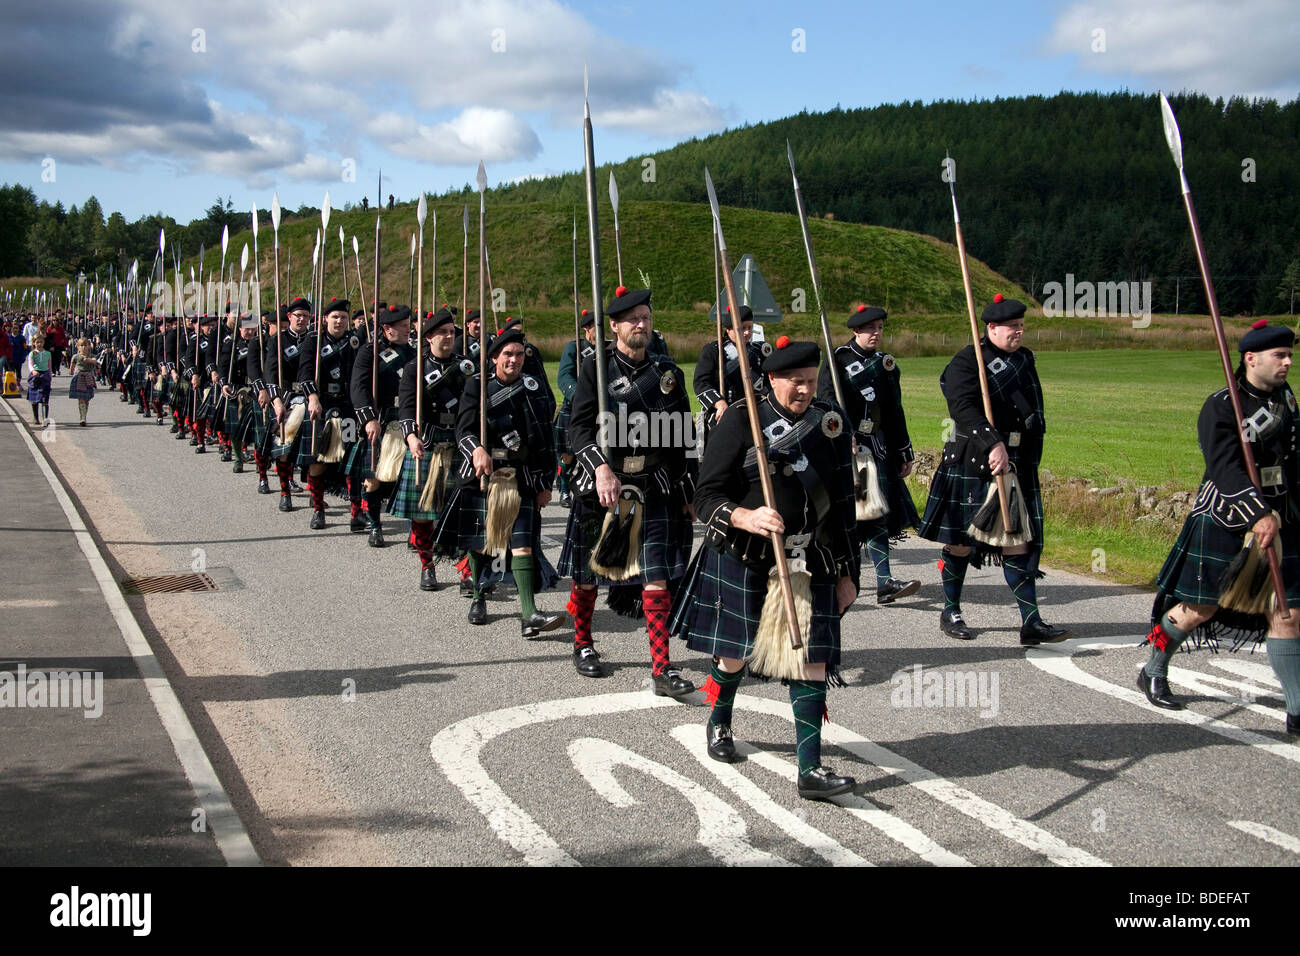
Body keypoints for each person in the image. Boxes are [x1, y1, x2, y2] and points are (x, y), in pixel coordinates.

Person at [671, 338, 861, 800]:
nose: (804, 390)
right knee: (734, 655)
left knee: (811, 659)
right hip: (746, 556)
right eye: (796, 382)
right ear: (772, 379)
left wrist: (848, 572)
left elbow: (841, 505)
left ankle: (810, 769)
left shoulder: (829, 423)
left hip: (809, 559)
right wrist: (747, 517)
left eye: (812, 381)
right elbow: (706, 495)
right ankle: (719, 721)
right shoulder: (741, 419)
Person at [1143, 321, 1300, 733]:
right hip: (1228, 518)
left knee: (1287, 613)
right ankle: (1154, 666)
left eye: (1289, 355)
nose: (1287, 362)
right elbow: (1224, 466)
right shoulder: (1221, 405)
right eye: (1279, 356)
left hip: (1281, 519)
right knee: (1199, 609)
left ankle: (1297, 712)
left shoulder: (1287, 400)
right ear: (1251, 358)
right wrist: (1256, 513)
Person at [561, 286, 696, 692]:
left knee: (656, 577)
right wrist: (600, 469)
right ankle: (583, 643)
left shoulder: (668, 373)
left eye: (647, 318)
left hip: (653, 485)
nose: (642, 324)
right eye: (633, 319)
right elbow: (578, 428)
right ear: (615, 326)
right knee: (589, 575)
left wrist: (688, 491)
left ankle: (661, 667)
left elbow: (685, 436)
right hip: (606, 485)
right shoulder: (596, 369)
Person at [918, 295, 1070, 645]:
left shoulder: (1024, 359)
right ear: (990, 328)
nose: (1019, 332)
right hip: (975, 460)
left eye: (1021, 326)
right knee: (961, 543)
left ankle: (1031, 622)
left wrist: (1028, 454)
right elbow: (961, 407)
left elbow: (1033, 410)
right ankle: (951, 610)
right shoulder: (967, 361)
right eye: (1012, 327)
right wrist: (992, 441)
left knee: (1017, 542)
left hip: (1015, 463)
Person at [433, 326, 562, 635]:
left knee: (522, 545)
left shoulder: (533, 387)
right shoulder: (476, 386)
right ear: (493, 358)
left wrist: (546, 483)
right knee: (483, 544)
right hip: (484, 475)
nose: (514, 360)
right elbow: (463, 429)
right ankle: (478, 596)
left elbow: (546, 438)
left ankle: (529, 614)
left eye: (518, 355)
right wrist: (475, 449)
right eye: (507, 354)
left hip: (522, 476)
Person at [818, 304, 922, 604]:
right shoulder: (837, 361)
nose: (876, 334)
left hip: (877, 447)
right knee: (847, 518)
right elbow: (825, 401)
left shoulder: (886, 364)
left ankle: (884, 580)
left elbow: (894, 411)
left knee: (874, 512)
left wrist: (904, 450)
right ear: (856, 331)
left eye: (879, 328)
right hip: (848, 448)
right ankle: (839, 578)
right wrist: (843, 432)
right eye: (870, 329)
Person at [391, 307, 467, 584]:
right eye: (442, 333)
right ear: (428, 338)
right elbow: (407, 408)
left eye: (451, 332)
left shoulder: (466, 366)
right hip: (429, 443)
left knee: (460, 510)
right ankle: (427, 565)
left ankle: (465, 571)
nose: (448, 337)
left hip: (460, 443)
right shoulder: (415, 368)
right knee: (423, 514)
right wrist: (411, 436)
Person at [350, 304, 417, 548]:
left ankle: (415, 531)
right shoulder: (370, 352)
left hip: (408, 419)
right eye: (403, 326)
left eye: (409, 325)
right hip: (381, 419)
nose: (409, 330)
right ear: (387, 329)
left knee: (410, 477)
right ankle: (375, 525)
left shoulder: (413, 353)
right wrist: (368, 418)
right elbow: (358, 387)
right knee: (374, 477)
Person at [297, 298, 363, 530]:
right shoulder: (313, 341)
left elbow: (362, 375)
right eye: (335, 317)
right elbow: (305, 373)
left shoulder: (355, 341)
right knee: (318, 462)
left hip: (347, 406)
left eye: (343, 317)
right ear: (325, 319)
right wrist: (312, 398)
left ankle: (357, 514)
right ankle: (318, 510)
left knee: (352, 464)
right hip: (322, 406)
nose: (339, 321)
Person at [693, 303, 768, 442]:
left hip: (755, 413)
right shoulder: (714, 351)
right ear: (729, 330)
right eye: (742, 328)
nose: (747, 333)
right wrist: (719, 403)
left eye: (749, 328)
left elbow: (769, 381)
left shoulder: (758, 352)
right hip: (723, 413)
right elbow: (701, 383)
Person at [554, 310, 598, 506]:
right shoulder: (575, 348)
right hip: (575, 408)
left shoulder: (608, 349)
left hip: (601, 410)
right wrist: (581, 397)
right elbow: (564, 378)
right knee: (569, 455)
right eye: (596, 327)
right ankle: (564, 489)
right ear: (587, 329)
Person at [67, 338, 99, 425]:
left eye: (86, 345)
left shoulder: (92, 355)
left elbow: (95, 362)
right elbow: (71, 368)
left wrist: (89, 360)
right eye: (81, 345)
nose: (84, 347)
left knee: (87, 399)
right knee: (81, 398)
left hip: (88, 377)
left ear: (89, 346)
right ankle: (82, 418)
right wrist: (72, 371)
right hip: (79, 377)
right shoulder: (76, 357)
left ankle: (84, 415)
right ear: (77, 347)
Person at [26, 334, 52, 424]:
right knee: (34, 397)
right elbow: (30, 364)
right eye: (37, 342)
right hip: (35, 376)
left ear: (44, 342)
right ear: (34, 343)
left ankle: (45, 419)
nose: (39, 344)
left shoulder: (47, 353)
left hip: (45, 375)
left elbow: (49, 366)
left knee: (45, 397)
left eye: (41, 342)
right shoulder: (32, 353)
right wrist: (33, 371)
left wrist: (50, 376)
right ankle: (35, 418)